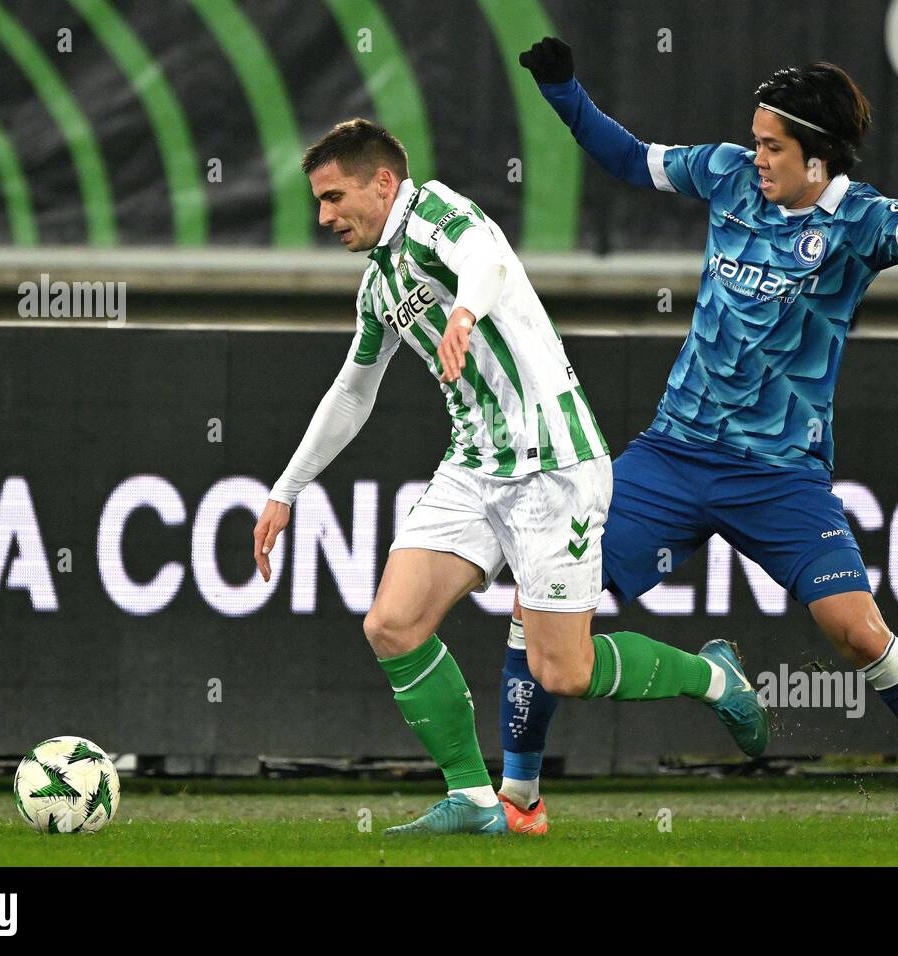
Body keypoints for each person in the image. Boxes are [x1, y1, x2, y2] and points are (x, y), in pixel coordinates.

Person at [492, 37, 898, 840]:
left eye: (773, 145)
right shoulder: (729, 173)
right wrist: (564, 88)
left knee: (860, 633)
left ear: (818, 158)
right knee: (543, 602)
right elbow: (628, 157)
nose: (756, 155)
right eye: (757, 140)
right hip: (674, 454)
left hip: (780, 477)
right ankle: (519, 802)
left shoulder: (861, 220)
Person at [253, 119, 767, 836]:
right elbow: (352, 392)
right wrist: (285, 490)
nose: (324, 217)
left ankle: (715, 679)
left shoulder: (441, 214)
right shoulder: (378, 285)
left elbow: (487, 264)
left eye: (334, 197)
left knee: (565, 671)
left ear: (384, 182)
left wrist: (464, 311)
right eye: (317, 202)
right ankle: (473, 798)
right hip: (474, 467)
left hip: (554, 464)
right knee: (392, 625)